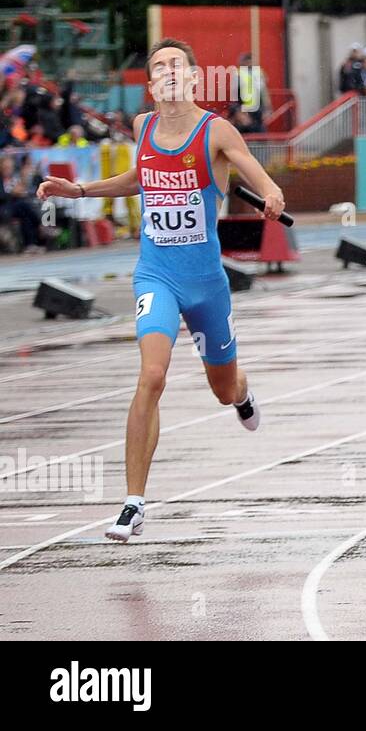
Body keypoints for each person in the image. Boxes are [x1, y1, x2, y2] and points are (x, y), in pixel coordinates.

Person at [37, 38, 286, 543]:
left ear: (193, 77)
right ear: (150, 87)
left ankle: (241, 392)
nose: (169, 72)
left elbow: (249, 166)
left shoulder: (215, 130)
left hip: (207, 285)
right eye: (159, 68)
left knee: (223, 389)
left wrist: (272, 193)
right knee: (152, 375)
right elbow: (141, 177)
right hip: (156, 275)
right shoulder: (143, 126)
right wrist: (82, 190)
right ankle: (133, 503)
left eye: (177, 65)